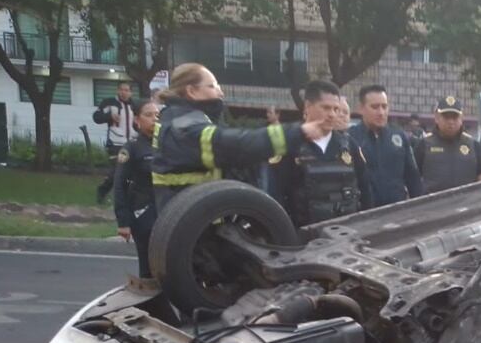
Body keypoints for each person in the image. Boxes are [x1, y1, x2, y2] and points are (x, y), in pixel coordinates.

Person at [151, 63, 331, 215]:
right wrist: (296, 133)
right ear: (191, 91)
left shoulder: (185, 119)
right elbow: (234, 146)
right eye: (213, 86)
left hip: (199, 223)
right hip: (196, 232)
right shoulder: (183, 127)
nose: (221, 92)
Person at [265, 80, 370, 228]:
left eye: (336, 109)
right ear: (308, 106)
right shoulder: (288, 146)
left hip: (347, 237)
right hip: (303, 239)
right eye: (326, 108)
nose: (332, 114)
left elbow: (365, 192)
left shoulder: (349, 146)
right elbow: (275, 198)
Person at [349, 85, 424, 207]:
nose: (381, 112)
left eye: (384, 106)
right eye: (375, 107)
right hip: (363, 213)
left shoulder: (399, 136)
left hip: (397, 212)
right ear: (361, 108)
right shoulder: (351, 138)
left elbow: (413, 177)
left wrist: (420, 209)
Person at [113, 101, 160, 277]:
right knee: (149, 266)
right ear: (137, 119)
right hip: (144, 213)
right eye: (149, 115)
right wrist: (123, 222)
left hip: (166, 210)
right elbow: (120, 184)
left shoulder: (166, 145)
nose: (154, 119)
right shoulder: (131, 147)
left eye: (157, 115)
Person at [414, 96, 481, 194]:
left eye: (454, 117)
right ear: (437, 118)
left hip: (467, 205)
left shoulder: (474, 145)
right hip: (433, 206)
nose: (451, 121)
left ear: (461, 118)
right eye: (446, 117)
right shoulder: (424, 145)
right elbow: (413, 179)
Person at [93, 81, 137, 203]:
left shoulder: (134, 105)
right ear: (117, 90)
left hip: (132, 143)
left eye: (127, 90)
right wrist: (109, 117)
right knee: (118, 170)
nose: (124, 92)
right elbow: (96, 117)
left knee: (129, 172)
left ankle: (125, 197)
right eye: (121, 89)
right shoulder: (109, 102)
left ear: (131, 92)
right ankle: (103, 191)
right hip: (116, 142)